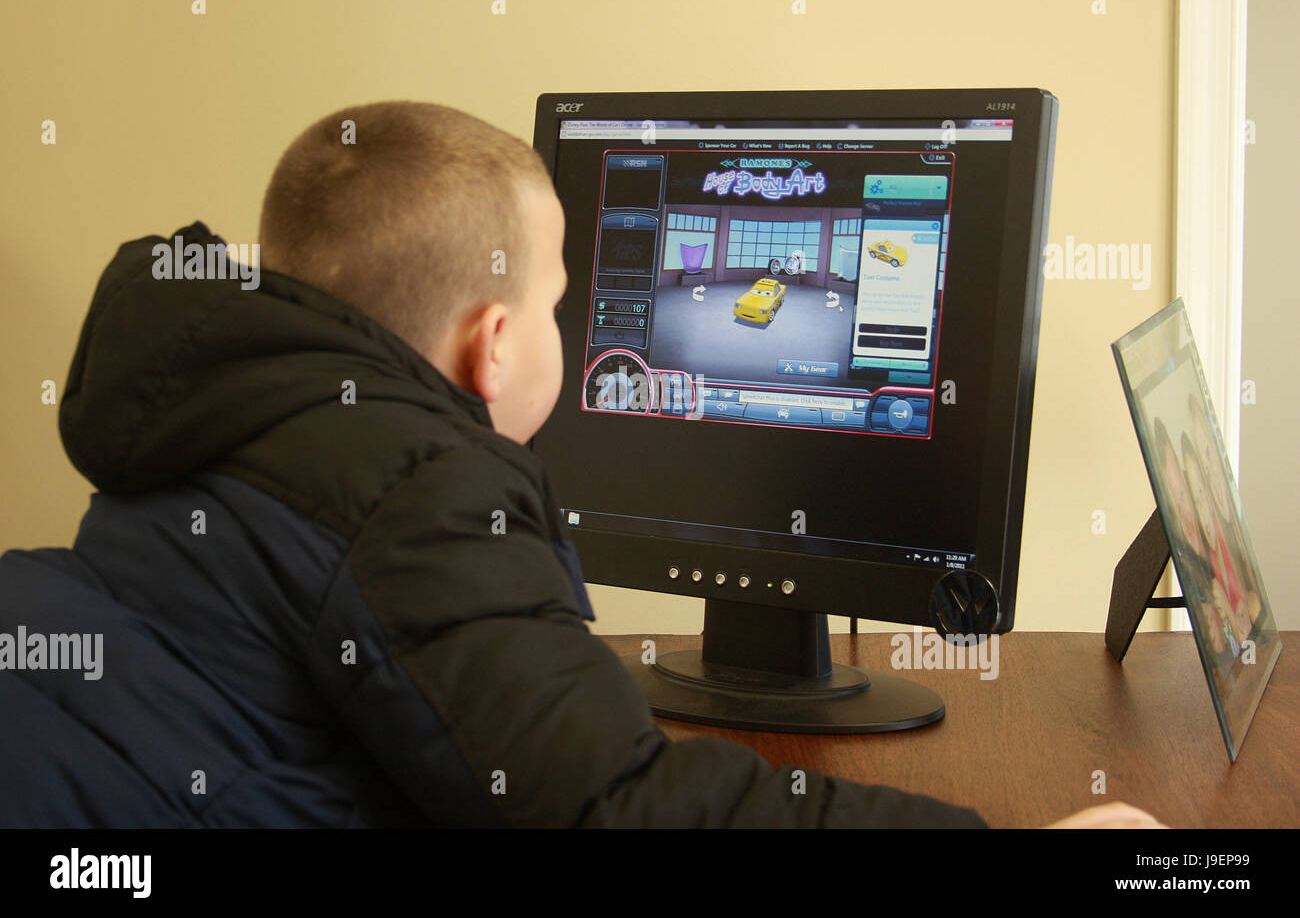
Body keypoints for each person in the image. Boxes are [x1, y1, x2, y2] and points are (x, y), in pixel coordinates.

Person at [0, 101, 1162, 829]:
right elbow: (614, 806)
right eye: (560, 301)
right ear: (494, 346)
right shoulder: (412, 485)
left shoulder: (239, 404)